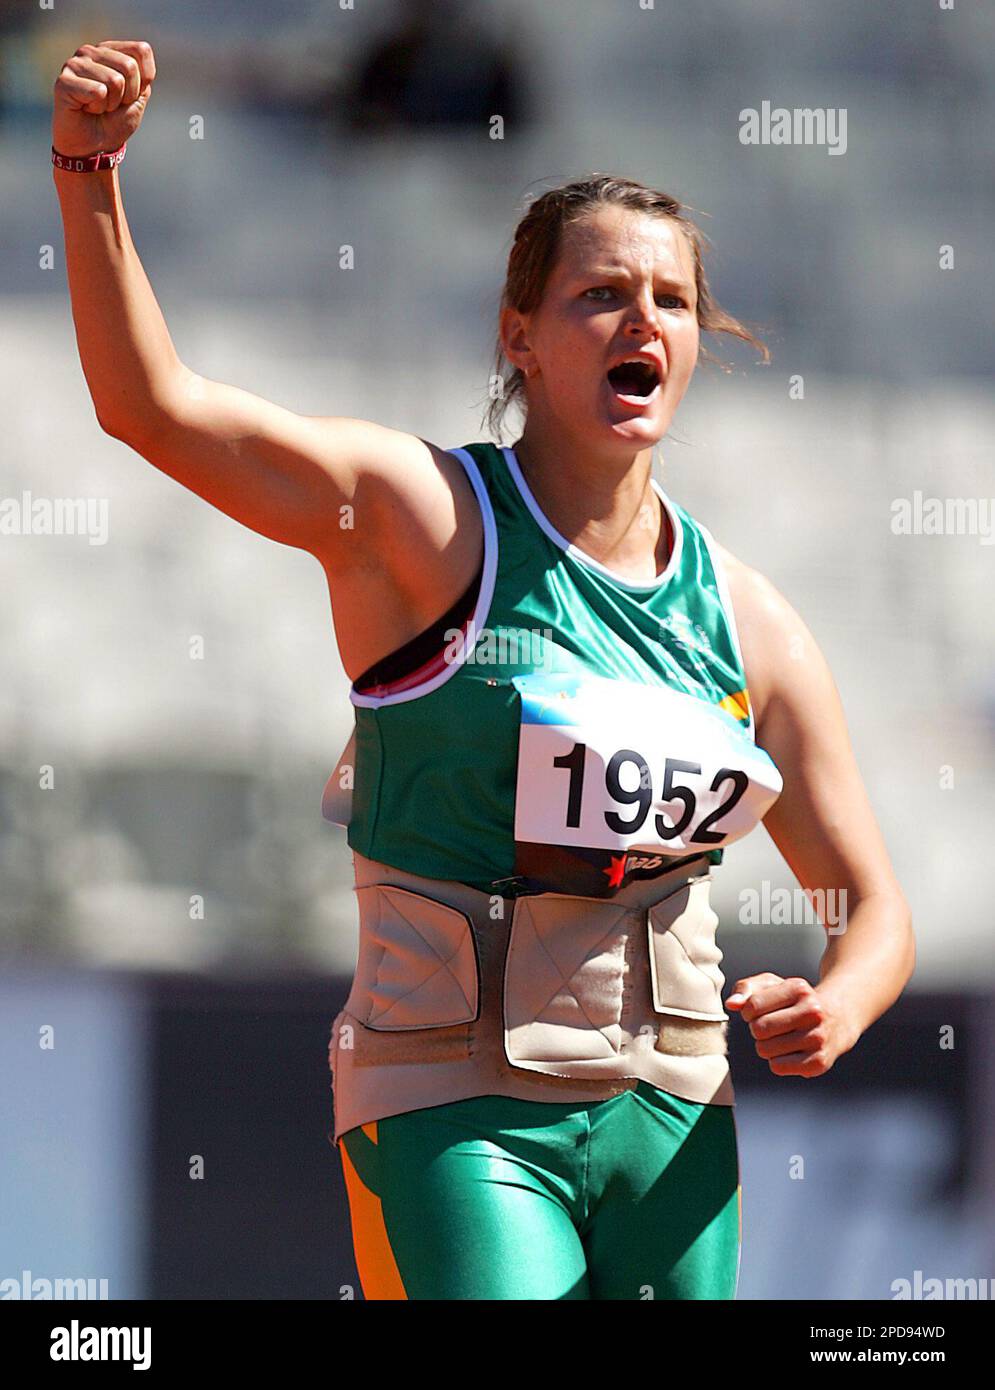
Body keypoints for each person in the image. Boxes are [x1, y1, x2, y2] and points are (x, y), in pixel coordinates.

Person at [52, 39, 915, 1301]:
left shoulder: (751, 621)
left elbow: (869, 904)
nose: (642, 321)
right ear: (519, 335)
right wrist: (88, 170)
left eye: (670, 300)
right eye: (600, 295)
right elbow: (153, 407)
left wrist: (839, 1001)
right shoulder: (423, 521)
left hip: (673, 1121)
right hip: (454, 1104)